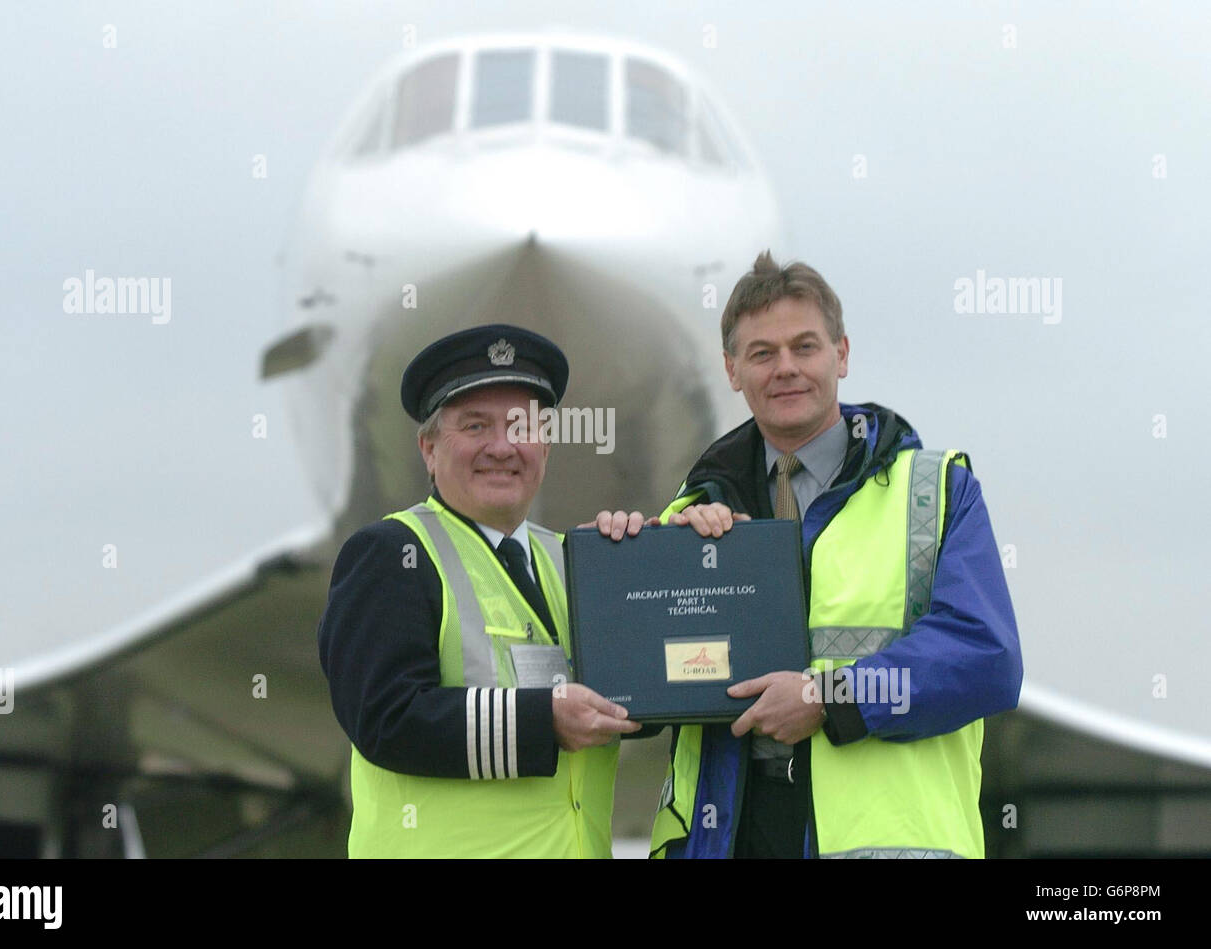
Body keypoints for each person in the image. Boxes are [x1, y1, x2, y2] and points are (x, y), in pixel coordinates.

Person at [596, 252, 1022, 858]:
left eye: (806, 347)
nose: (786, 369)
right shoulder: (689, 514)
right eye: (763, 353)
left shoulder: (936, 492)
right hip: (731, 836)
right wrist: (624, 559)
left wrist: (831, 699)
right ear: (732, 369)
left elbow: (987, 659)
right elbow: (632, 695)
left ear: (842, 354)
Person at [317, 323, 640, 858]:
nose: (502, 446)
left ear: (547, 444)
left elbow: (635, 697)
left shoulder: (576, 561)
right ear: (428, 448)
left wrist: (687, 550)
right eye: (474, 426)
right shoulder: (393, 553)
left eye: (521, 425)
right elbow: (384, 718)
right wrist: (543, 720)